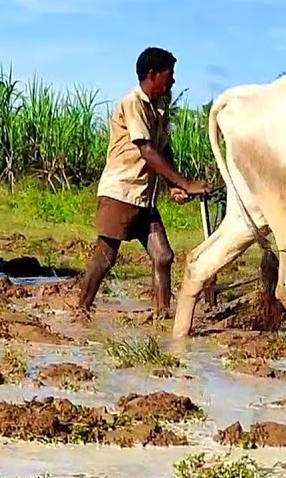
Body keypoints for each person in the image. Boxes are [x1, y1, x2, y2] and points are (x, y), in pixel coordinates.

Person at [76, 47, 210, 319]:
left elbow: (163, 150)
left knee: (163, 256)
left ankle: (163, 315)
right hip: (122, 192)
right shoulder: (133, 102)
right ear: (153, 75)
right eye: (169, 75)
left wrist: (172, 185)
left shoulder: (160, 108)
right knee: (106, 256)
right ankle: (81, 309)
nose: (172, 81)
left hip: (145, 199)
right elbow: (147, 150)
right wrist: (185, 183)